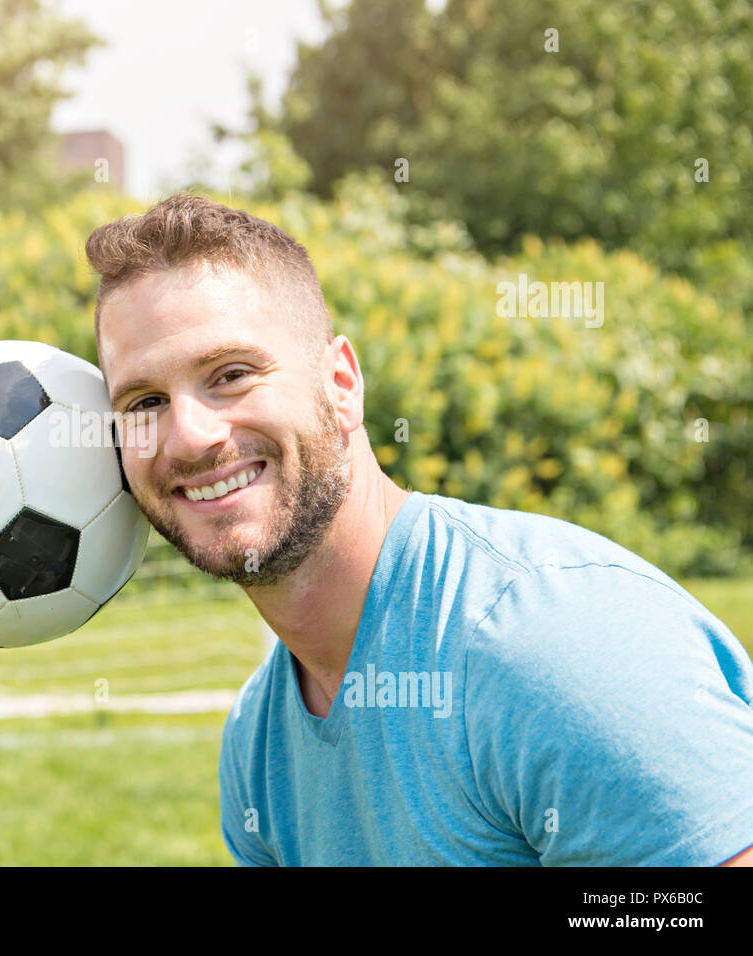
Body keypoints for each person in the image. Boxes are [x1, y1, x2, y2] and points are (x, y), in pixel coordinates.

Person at [85, 194, 753, 866]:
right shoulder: (258, 747)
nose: (191, 436)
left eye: (230, 375)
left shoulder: (548, 646)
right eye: (144, 403)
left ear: (342, 383)